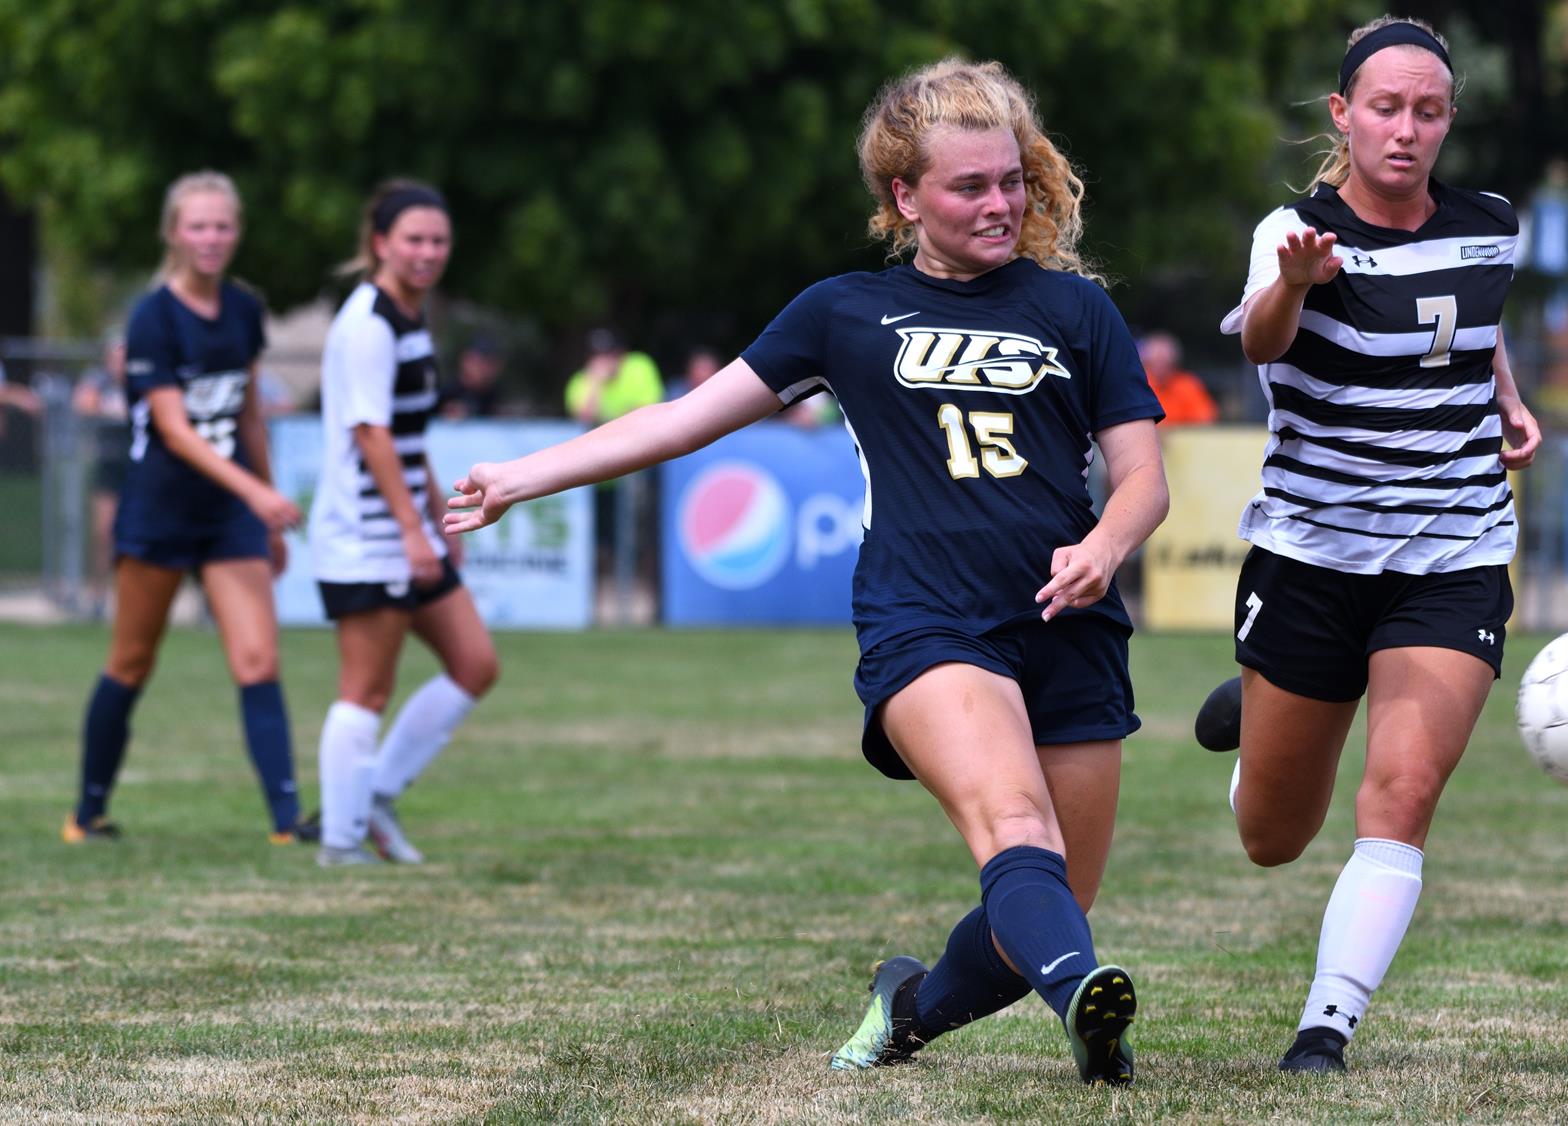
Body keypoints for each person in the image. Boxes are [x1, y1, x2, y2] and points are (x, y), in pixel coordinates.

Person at [444, 58, 1167, 1085]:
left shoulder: (1075, 311)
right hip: (927, 620)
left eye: (1010, 179)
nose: (1000, 203)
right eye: (969, 186)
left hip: (1070, 624)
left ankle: (908, 1007)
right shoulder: (842, 311)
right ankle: (1094, 1025)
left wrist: (1105, 547)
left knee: (1053, 905)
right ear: (902, 197)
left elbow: (1142, 477)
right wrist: (524, 473)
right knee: (1016, 833)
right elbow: (680, 421)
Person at [1189, 15, 1541, 1073]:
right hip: (1312, 556)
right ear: (1342, 114)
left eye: (1426, 111)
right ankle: (1254, 721)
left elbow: (1465, 326)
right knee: (1271, 836)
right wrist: (1295, 280)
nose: (1405, 129)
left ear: (1446, 120)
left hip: (1453, 552)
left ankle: (1323, 1028)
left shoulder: (1490, 224)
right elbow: (1261, 338)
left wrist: (1507, 401)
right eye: (1384, 108)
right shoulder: (1291, 232)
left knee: (1399, 793)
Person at [65, 170, 314, 845]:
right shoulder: (153, 317)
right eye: (198, 225)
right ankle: (87, 813)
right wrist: (258, 492)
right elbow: (175, 430)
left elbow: (250, 416)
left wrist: (262, 502)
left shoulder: (243, 309)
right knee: (131, 664)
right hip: (161, 511)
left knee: (259, 661)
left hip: (229, 515)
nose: (211, 237)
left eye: (222, 225)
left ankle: (287, 823)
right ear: (174, 233)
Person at [309, 180, 500, 867]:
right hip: (364, 538)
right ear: (380, 243)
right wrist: (411, 532)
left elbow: (407, 438)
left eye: (438, 240)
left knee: (475, 663)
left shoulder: (410, 316)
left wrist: (438, 519)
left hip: (401, 529)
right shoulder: (368, 323)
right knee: (365, 689)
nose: (427, 252)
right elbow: (371, 436)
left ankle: (377, 798)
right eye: (413, 240)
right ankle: (338, 839)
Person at [71, 333, 128, 616]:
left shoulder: (144, 380)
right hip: (108, 465)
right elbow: (83, 403)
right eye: (115, 356)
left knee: (139, 536)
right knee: (104, 533)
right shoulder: (99, 379)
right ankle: (98, 597)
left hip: (140, 469)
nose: (120, 362)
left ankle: (133, 599)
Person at [565, 328, 662, 426]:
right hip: (603, 436)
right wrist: (596, 383)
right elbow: (585, 419)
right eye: (597, 355)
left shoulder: (639, 366)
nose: (604, 360)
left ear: (621, 353)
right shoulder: (580, 379)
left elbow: (648, 409)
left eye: (609, 354)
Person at [1138, 331, 1219, 427]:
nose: (1160, 366)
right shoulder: (1138, 385)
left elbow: (1206, 419)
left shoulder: (1188, 385)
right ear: (1146, 362)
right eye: (1155, 361)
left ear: (1174, 362)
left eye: (1164, 361)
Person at [438, 335, 504, 420]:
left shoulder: (492, 394)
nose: (484, 368)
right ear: (465, 360)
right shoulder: (447, 392)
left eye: (489, 363)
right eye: (479, 361)